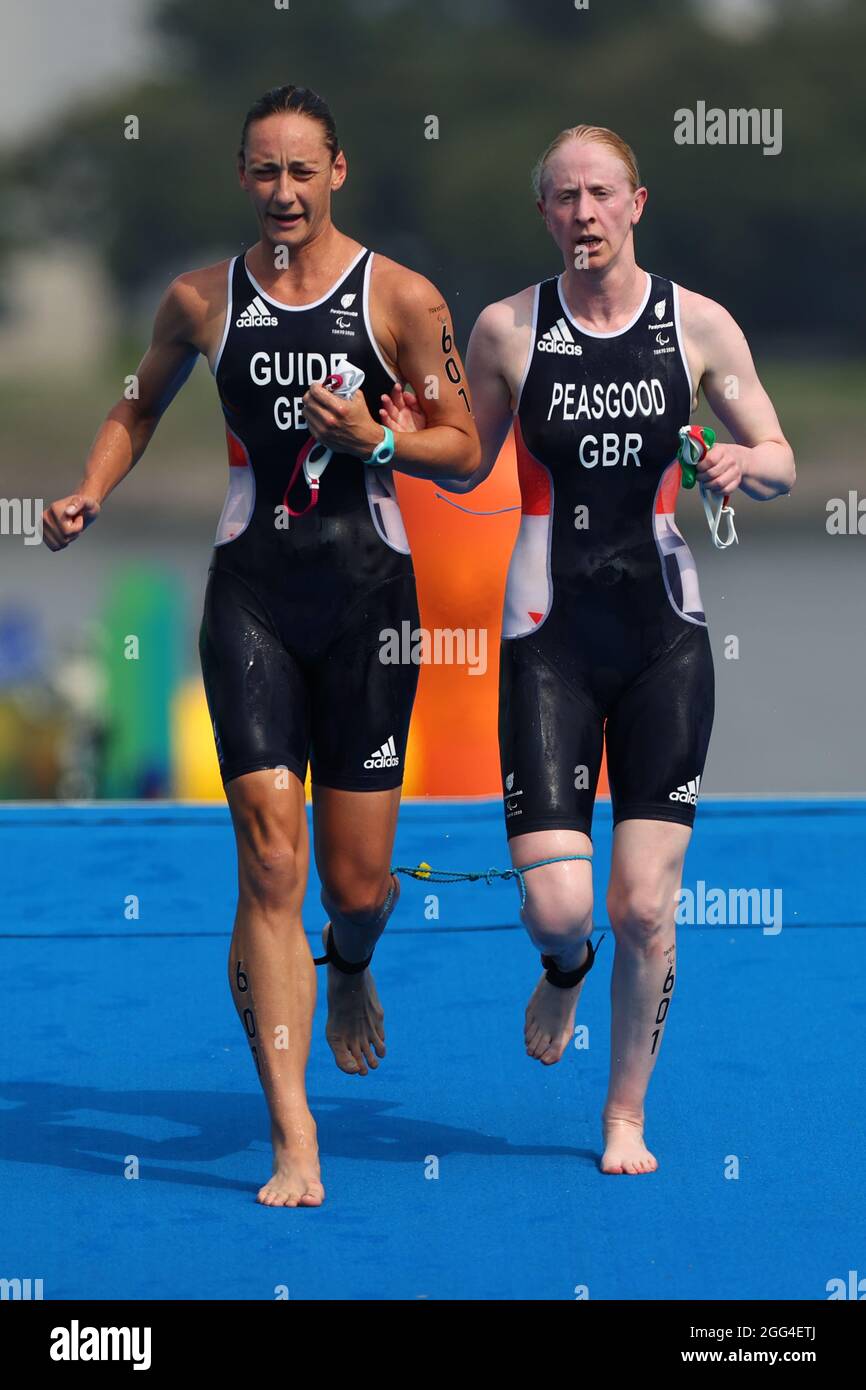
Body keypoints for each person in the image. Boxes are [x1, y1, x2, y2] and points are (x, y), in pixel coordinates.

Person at [41, 85, 480, 1207]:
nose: (283, 192)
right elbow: (134, 404)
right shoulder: (199, 300)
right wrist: (89, 489)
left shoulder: (400, 299)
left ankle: (354, 965)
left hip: (370, 604)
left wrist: (378, 435)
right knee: (270, 857)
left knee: (356, 880)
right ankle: (295, 1137)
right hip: (251, 599)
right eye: (263, 171)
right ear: (242, 177)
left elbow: (464, 447)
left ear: (337, 171)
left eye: (302, 171)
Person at [381, 124, 794, 1175]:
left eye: (599, 194)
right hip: (546, 640)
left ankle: (621, 1114)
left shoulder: (695, 327)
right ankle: (562, 965)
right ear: (544, 215)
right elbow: (465, 467)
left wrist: (746, 459)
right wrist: (399, 436)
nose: (583, 214)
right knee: (565, 905)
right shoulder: (505, 331)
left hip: (663, 637)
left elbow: (783, 460)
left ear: (635, 203)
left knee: (644, 902)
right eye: (562, 198)